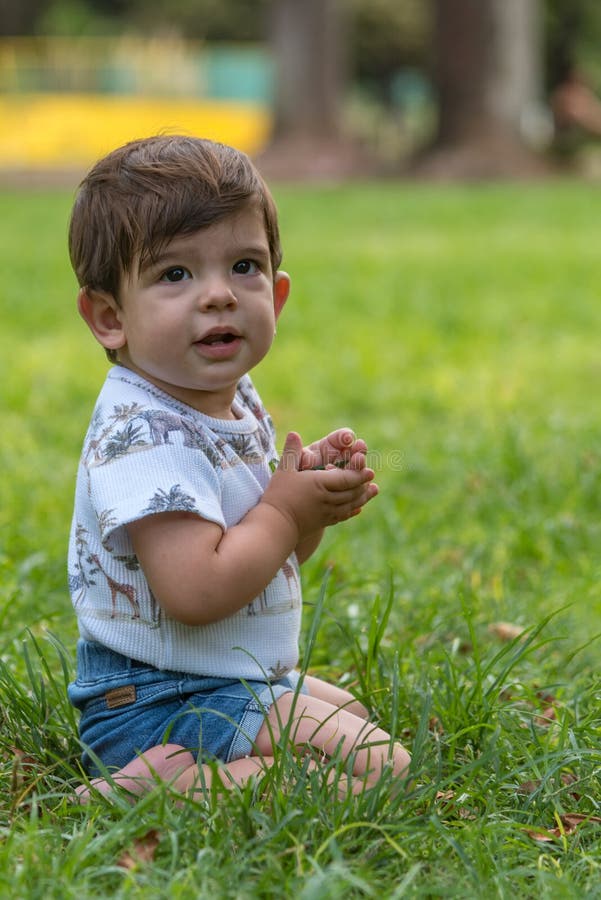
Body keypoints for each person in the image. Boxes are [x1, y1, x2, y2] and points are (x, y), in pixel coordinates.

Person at [66, 134, 410, 800]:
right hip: (152, 701)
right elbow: (198, 592)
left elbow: (266, 560)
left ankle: (197, 773)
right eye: (175, 274)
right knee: (382, 769)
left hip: (210, 676)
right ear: (110, 317)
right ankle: (154, 786)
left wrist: (305, 506)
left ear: (275, 296)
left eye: (243, 266)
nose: (218, 295)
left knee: (352, 716)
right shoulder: (145, 434)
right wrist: (282, 510)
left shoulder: (227, 398)